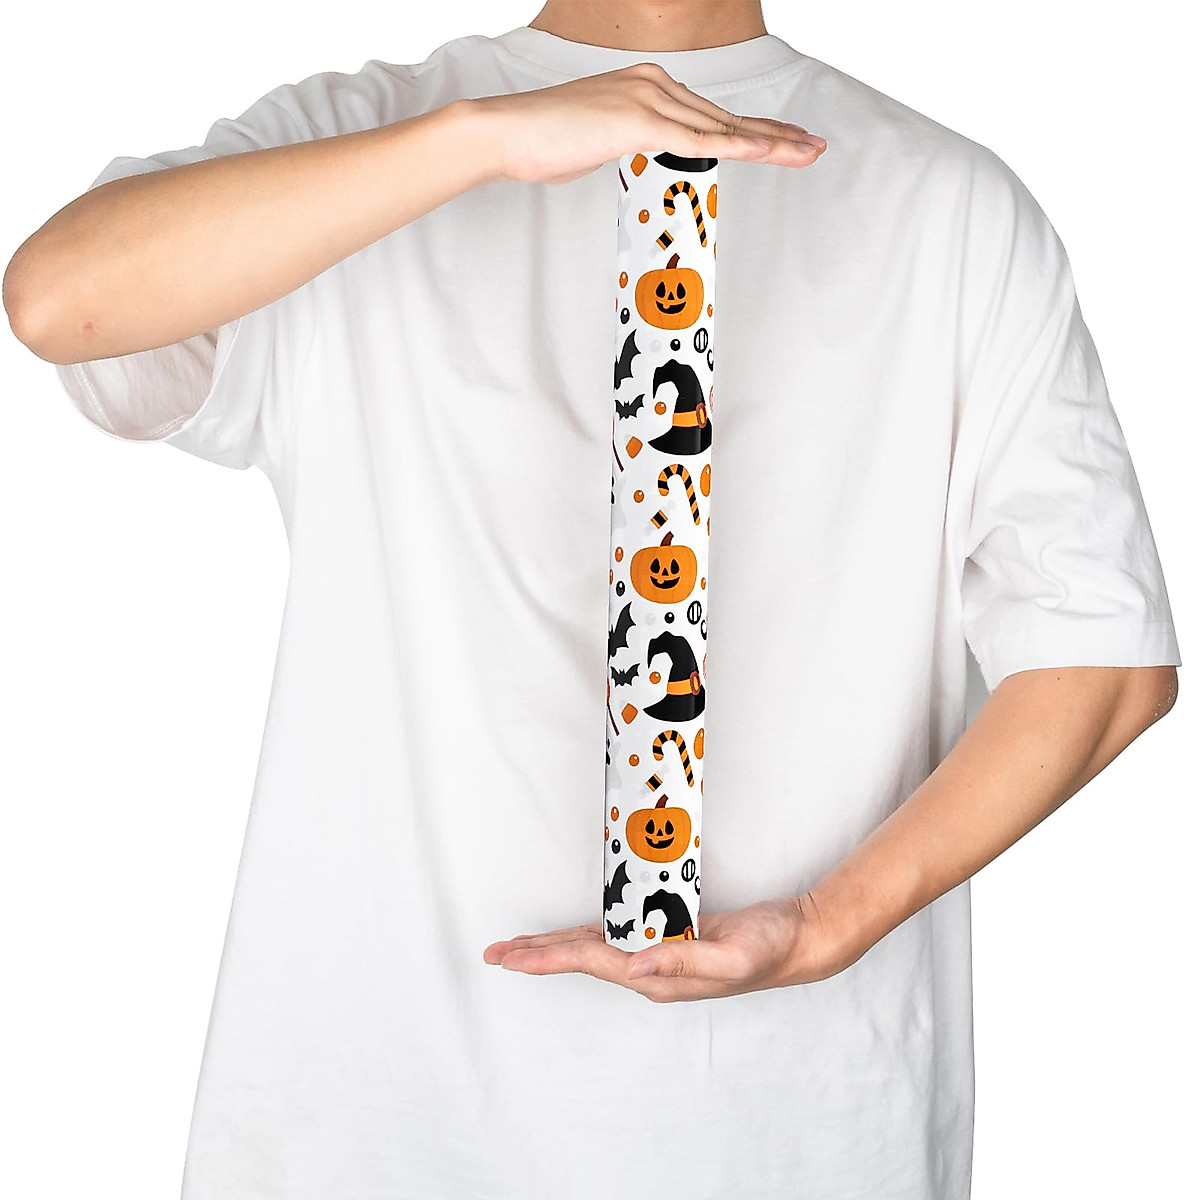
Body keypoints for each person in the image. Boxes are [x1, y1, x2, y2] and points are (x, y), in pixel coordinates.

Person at [2, 1, 1182, 1197]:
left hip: (799, 1132)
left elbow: (1104, 658)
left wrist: (828, 924)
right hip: (365, 1126)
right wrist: (482, 139)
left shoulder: (954, 208)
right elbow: (60, 302)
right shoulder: (350, 145)